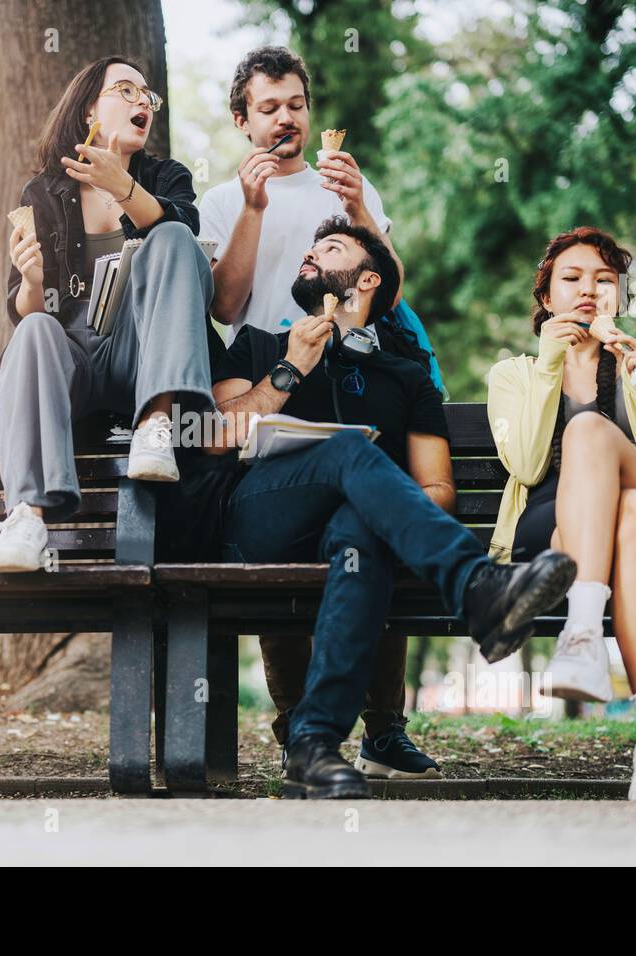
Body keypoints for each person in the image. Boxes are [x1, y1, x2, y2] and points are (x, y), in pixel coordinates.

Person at [202, 216, 577, 799]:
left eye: (329, 247)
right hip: (259, 523)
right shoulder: (256, 345)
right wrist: (291, 368)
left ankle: (314, 745)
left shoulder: (406, 376)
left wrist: (388, 503)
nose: (310, 253)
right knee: (350, 447)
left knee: (362, 535)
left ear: (368, 279)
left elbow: (438, 489)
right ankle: (476, 587)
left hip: (349, 533)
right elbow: (220, 433)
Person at [197, 45, 434, 779]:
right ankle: (296, 720)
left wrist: (361, 208)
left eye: (295, 104)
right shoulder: (220, 200)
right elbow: (225, 305)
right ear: (243, 121)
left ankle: (382, 723)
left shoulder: (343, 191)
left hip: (354, 368)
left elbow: (387, 283)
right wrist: (254, 209)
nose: (285, 118)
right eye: (268, 107)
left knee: (370, 518)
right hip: (271, 373)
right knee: (290, 548)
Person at [486, 226, 636, 802]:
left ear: (618, 297)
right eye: (572, 278)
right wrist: (548, 366)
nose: (589, 289)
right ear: (546, 298)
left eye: (604, 281)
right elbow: (529, 462)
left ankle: (581, 634)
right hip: (554, 527)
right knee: (631, 510)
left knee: (615, 462)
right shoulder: (514, 374)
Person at [0, 57, 216, 572]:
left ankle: (155, 424)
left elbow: (183, 228)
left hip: (143, 350)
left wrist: (123, 188)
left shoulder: (164, 177)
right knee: (35, 328)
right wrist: (32, 281)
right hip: (73, 362)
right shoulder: (44, 192)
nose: (143, 103)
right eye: (126, 91)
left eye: (147, 97)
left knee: (173, 236)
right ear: (91, 106)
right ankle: (26, 516)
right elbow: (20, 312)